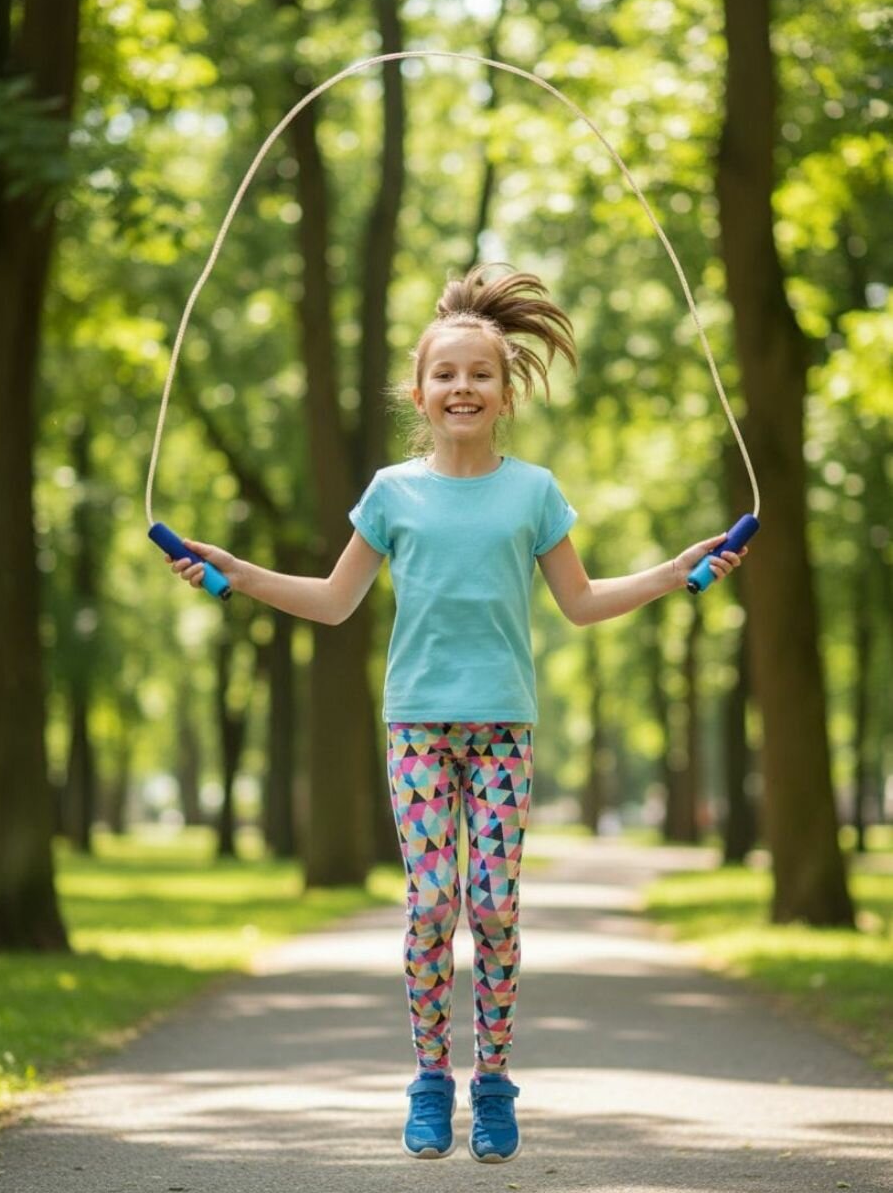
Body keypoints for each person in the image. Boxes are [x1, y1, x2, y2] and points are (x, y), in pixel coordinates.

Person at [167, 263, 747, 1164]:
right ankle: (433, 1080)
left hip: (503, 727)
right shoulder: (393, 493)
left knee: (495, 909)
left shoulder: (534, 492)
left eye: (480, 374)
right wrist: (235, 572)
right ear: (420, 390)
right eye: (446, 374)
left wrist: (678, 571)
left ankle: (496, 1081)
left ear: (505, 392)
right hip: (417, 728)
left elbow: (584, 601)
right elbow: (331, 600)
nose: (462, 387)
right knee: (434, 906)